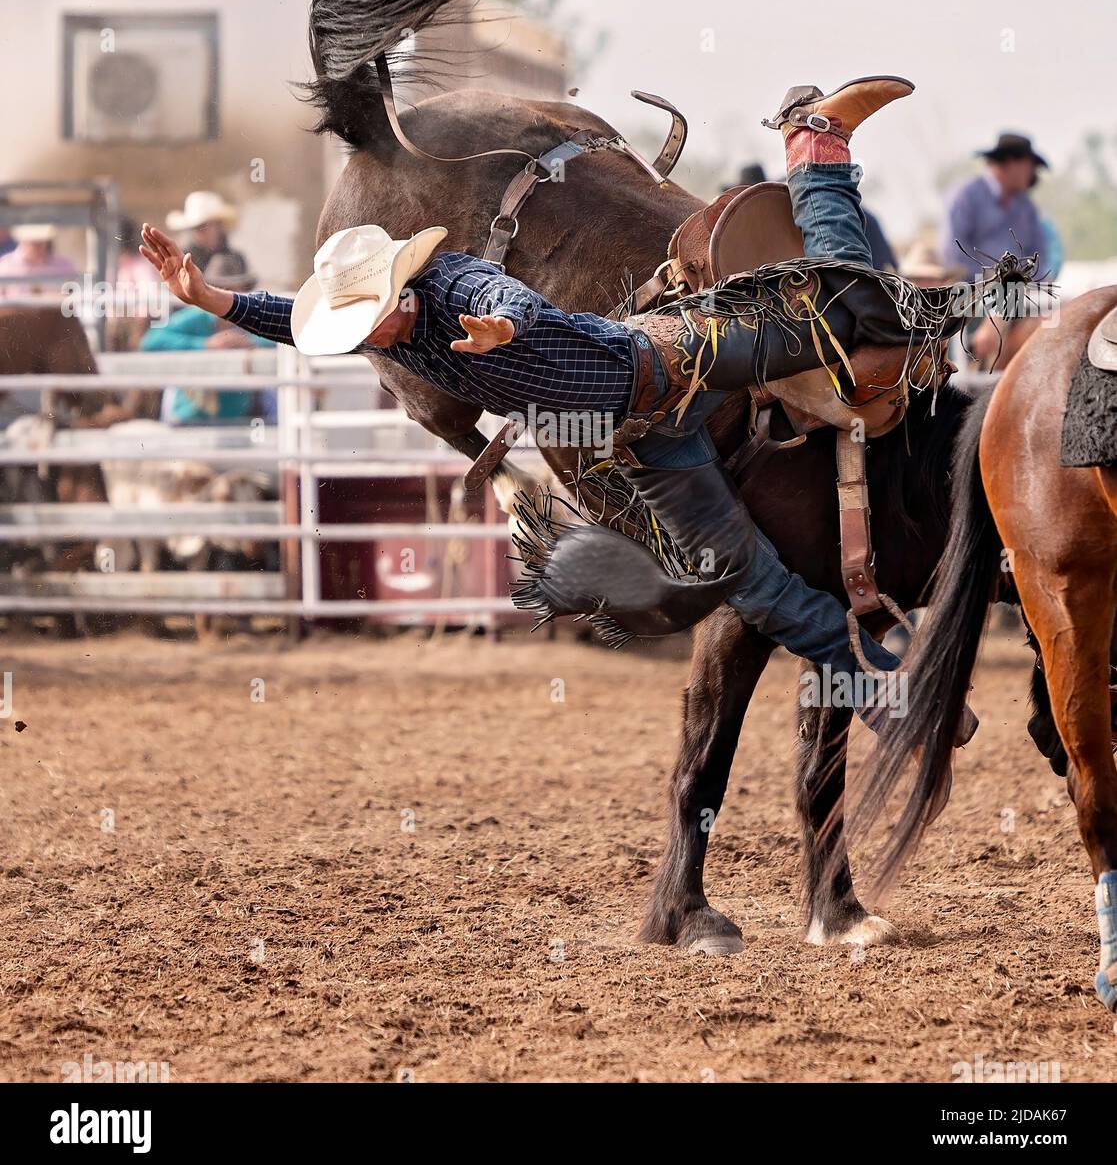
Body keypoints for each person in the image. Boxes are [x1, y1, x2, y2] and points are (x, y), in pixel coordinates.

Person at [139, 75, 972, 713]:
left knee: (852, 338)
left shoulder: (460, 284)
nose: (365, 336)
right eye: (353, 329)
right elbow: (287, 317)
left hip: (673, 360)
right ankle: (893, 695)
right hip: (645, 440)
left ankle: (814, 146)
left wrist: (508, 329)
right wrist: (211, 298)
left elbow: (509, 301)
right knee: (746, 579)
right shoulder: (397, 325)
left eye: (365, 319)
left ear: (398, 290)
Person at [139, 252, 275, 425]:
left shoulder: (252, 319)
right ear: (211, 291)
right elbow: (150, 341)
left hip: (240, 418)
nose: (231, 296)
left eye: (238, 289)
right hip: (190, 417)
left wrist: (249, 343)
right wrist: (206, 344)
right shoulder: (198, 316)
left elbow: (280, 340)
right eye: (224, 289)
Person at [940, 132, 1050, 275]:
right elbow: (953, 251)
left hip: (1017, 292)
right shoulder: (966, 197)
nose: (1032, 173)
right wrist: (985, 281)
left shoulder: (1026, 207)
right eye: (1029, 167)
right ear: (1011, 164)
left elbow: (1038, 253)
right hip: (973, 292)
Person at [165, 190, 251, 277]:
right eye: (193, 228)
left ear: (218, 225)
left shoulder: (237, 258)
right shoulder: (181, 259)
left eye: (202, 226)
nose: (198, 232)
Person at [0, 223, 78, 298]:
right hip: (15, 311)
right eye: (33, 241)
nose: (37, 245)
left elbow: (75, 297)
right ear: (22, 240)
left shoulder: (64, 265)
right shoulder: (5, 266)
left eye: (41, 240)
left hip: (55, 311)